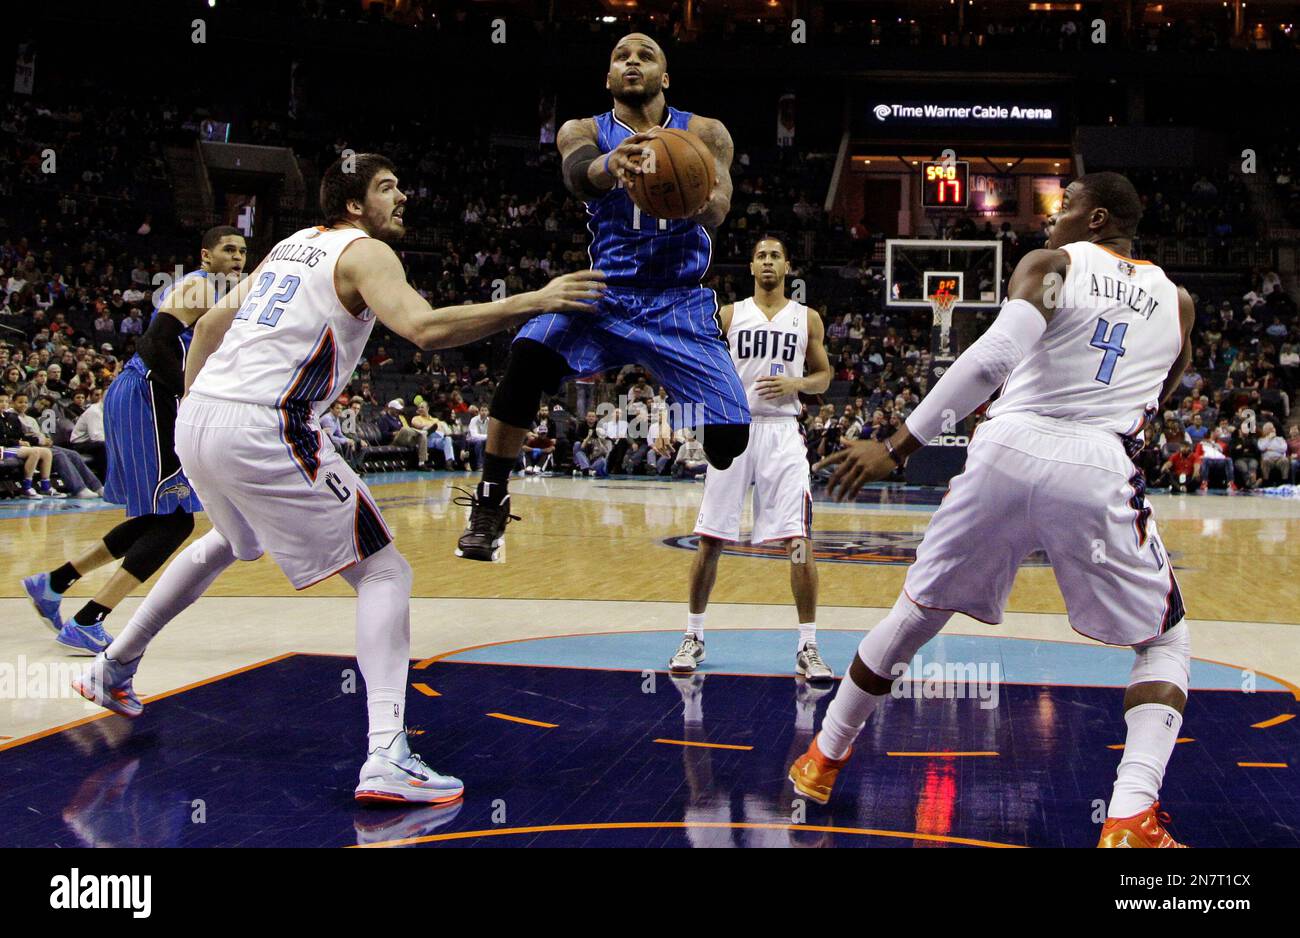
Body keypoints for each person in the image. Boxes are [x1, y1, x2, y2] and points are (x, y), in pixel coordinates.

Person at [70, 152, 605, 805]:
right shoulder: (367, 252)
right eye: (388, 187)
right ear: (355, 205)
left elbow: (209, 327)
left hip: (203, 413)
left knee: (232, 543)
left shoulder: (292, 245)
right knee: (384, 571)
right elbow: (424, 328)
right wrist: (536, 300)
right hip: (265, 423)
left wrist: (195, 418)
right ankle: (387, 754)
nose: (402, 196)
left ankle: (114, 665)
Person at [791, 173, 1195, 848]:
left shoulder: (1054, 265)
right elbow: (1163, 390)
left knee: (916, 612)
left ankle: (822, 759)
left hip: (1005, 446)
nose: (1049, 221)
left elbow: (993, 358)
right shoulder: (1178, 304)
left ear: (1096, 218)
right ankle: (1128, 819)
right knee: (1163, 640)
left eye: (1062, 207)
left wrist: (898, 444)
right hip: (1097, 462)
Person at [455, 32, 749, 561]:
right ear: (609, 78)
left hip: (678, 299)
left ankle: (673, 396)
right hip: (605, 290)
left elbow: (719, 206)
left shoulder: (705, 132)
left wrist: (692, 193)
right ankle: (490, 499)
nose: (632, 61)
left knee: (730, 443)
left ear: (665, 77)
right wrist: (609, 166)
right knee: (525, 358)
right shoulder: (584, 129)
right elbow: (577, 174)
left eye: (646, 55)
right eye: (621, 57)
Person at [20, 226, 248, 654]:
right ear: (205, 256)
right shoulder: (201, 288)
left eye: (242, 252)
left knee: (158, 515)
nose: (237, 258)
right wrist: (190, 392)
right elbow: (155, 342)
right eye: (228, 250)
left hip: (143, 395)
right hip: (148, 394)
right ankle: (90, 619)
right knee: (177, 519)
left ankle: (54, 583)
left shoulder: (212, 294)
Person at [670, 236, 834, 680]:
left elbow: (824, 377)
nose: (767, 262)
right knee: (710, 538)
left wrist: (795, 385)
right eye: (760, 255)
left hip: (783, 433)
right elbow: (696, 369)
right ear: (750, 266)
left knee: (798, 540)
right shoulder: (727, 315)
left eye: (775, 255)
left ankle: (808, 645)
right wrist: (686, 419)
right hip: (733, 429)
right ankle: (693, 635)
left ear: (787, 267)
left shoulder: (807, 318)